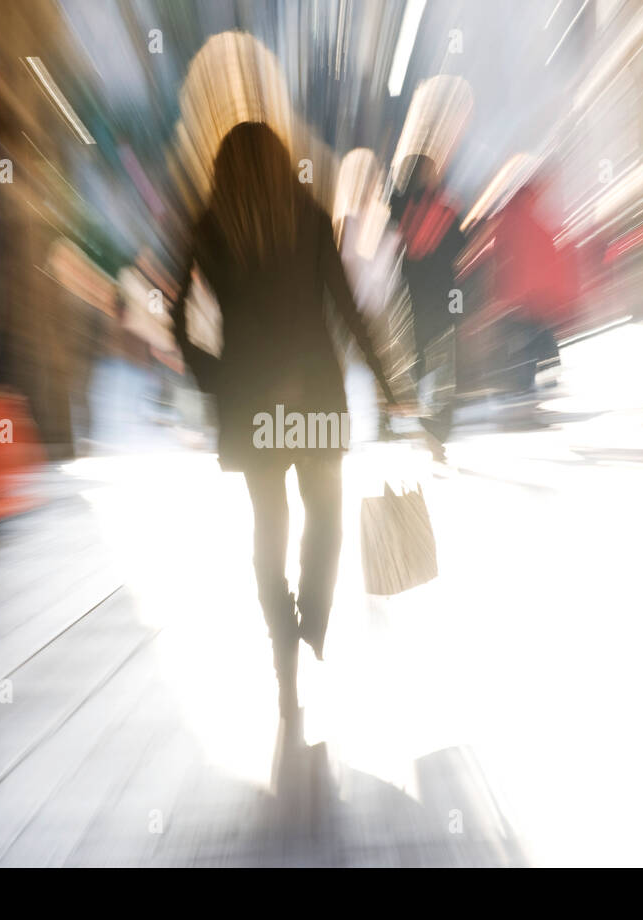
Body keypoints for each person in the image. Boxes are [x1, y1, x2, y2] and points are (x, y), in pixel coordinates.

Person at [170, 122, 397, 724]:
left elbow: (175, 319)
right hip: (315, 395)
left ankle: (283, 644)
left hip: (250, 400)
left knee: (268, 528)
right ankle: (314, 619)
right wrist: (390, 380)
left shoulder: (211, 224)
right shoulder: (308, 213)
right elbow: (347, 308)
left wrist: (212, 375)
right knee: (325, 517)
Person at [390, 155, 466, 462]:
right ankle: (435, 430)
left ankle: (415, 423)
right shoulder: (445, 211)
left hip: (409, 302)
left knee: (418, 363)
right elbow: (459, 250)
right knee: (443, 366)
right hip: (443, 300)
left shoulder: (396, 210)